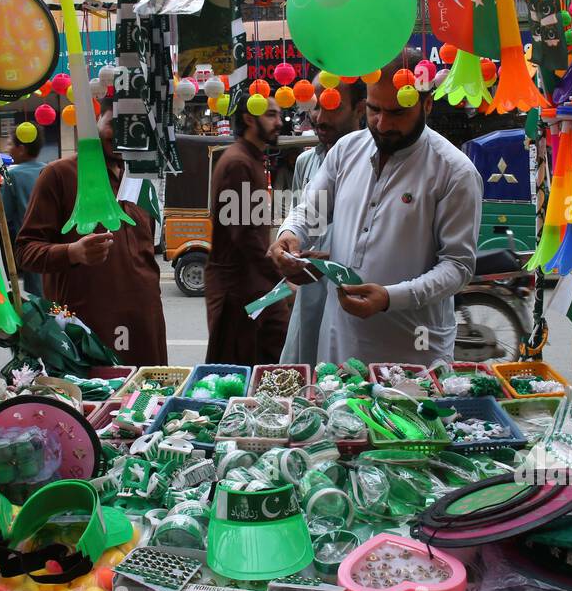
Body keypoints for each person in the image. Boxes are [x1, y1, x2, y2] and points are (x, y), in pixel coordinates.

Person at [270, 50, 482, 365]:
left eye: (397, 112)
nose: (382, 124)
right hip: (340, 339)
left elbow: (458, 267)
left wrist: (389, 298)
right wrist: (290, 234)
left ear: (426, 105)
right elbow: (309, 212)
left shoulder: (454, 172)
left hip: (414, 347)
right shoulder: (345, 151)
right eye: (373, 109)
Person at [14, 100, 167, 366]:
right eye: (114, 124)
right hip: (85, 329)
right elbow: (25, 252)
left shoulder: (141, 180)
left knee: (148, 400)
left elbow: (145, 256)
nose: (122, 135)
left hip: (144, 323)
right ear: (95, 122)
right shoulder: (59, 175)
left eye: (133, 127)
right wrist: (72, 252)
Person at [279, 74, 366, 364]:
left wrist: (338, 255)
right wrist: (291, 255)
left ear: (360, 109)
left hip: (357, 293)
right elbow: (305, 223)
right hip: (312, 291)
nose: (318, 117)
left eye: (332, 106)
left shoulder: (373, 162)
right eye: (316, 106)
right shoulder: (307, 161)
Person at [205, 90, 289, 364]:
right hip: (239, 291)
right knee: (244, 366)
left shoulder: (251, 159)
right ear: (249, 120)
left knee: (272, 350)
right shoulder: (239, 163)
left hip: (255, 285)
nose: (279, 122)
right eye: (271, 115)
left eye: (278, 114)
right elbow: (245, 236)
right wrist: (283, 277)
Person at [1, 130, 47, 297]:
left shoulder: (12, 174)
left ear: (21, 149)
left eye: (11, 144)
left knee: (36, 295)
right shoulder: (48, 170)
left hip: (30, 245)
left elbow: (4, 214)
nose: (8, 148)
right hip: (54, 241)